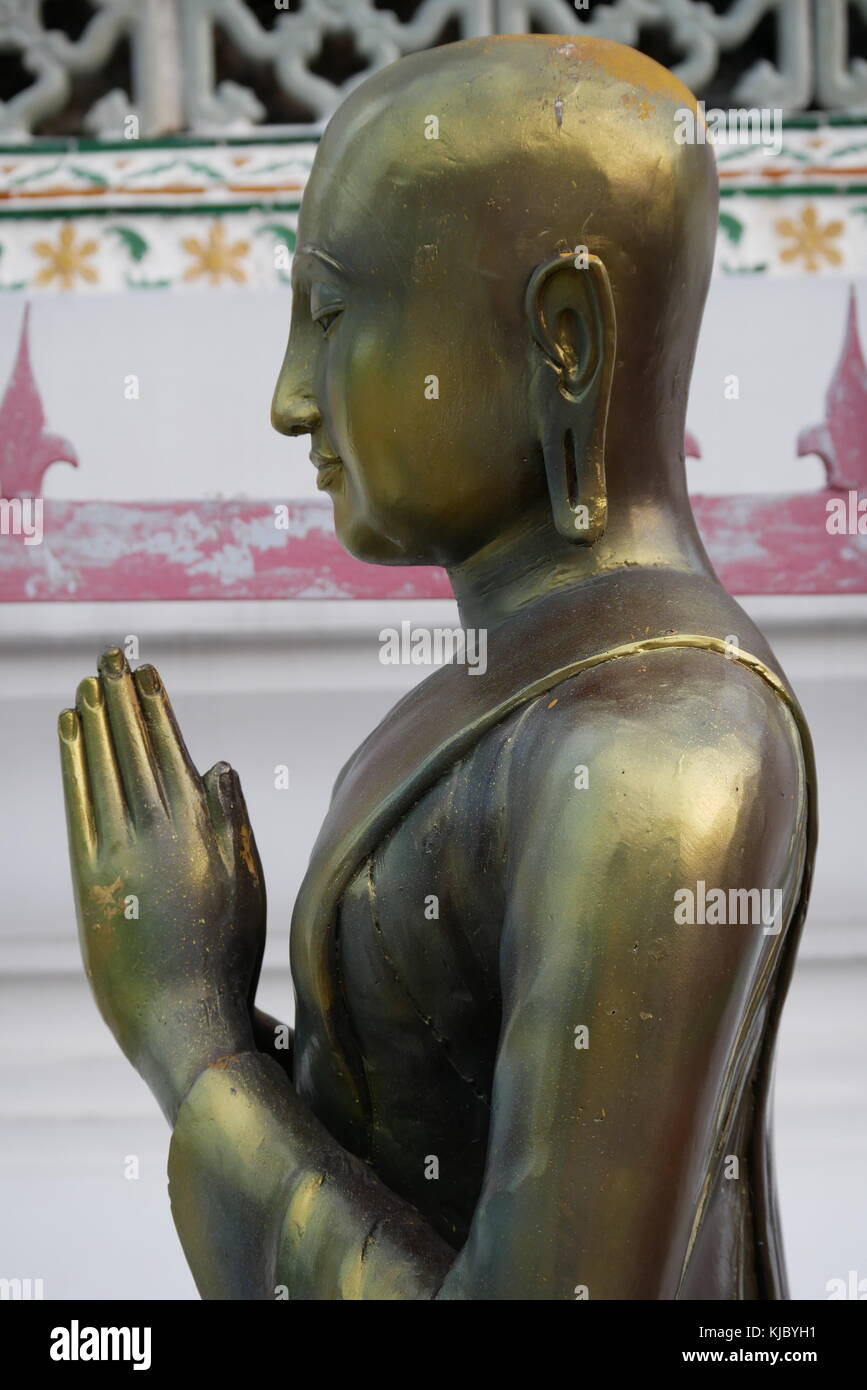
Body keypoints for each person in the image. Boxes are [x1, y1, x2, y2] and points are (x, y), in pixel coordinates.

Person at [59, 34, 815, 1299]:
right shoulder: (520, 699)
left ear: (561, 338)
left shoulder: (657, 756)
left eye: (333, 316)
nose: (291, 399)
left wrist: (192, 1051)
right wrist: (233, 1016)